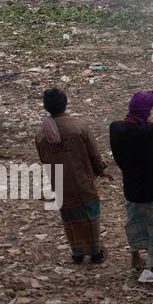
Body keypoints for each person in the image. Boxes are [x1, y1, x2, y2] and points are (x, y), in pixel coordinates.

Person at [36, 88, 108, 264]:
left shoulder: (41, 133)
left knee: (70, 217)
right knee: (90, 214)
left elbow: (43, 159)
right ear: (65, 103)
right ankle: (95, 252)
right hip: (82, 179)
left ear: (46, 107)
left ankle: (77, 252)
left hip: (60, 182)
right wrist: (100, 170)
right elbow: (94, 154)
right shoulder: (78, 126)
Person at [109, 90, 153, 272]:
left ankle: (135, 256)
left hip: (131, 187)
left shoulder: (116, 128)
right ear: (147, 111)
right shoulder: (152, 132)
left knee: (134, 221)